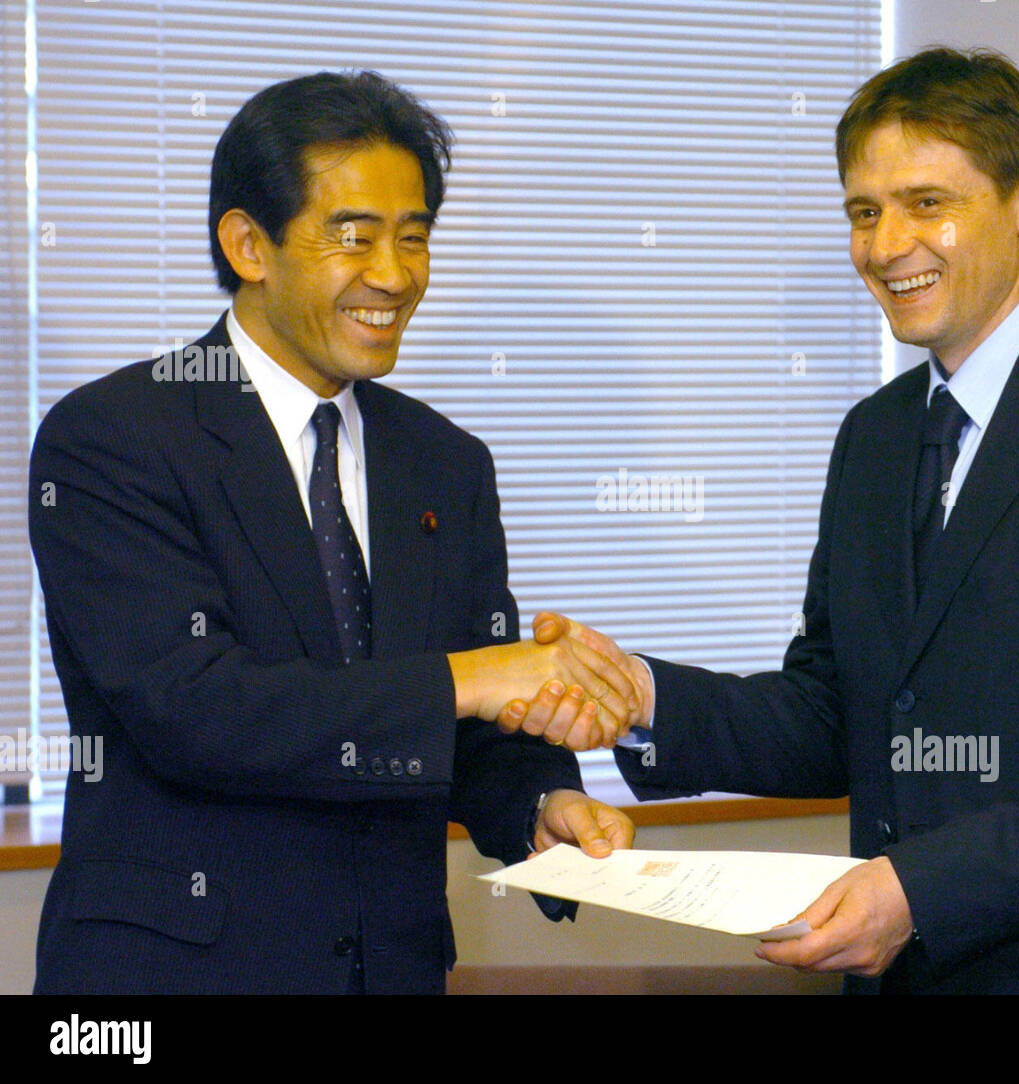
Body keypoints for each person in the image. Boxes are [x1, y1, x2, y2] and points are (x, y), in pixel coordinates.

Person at [509, 48, 1019, 994]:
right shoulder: (874, 436)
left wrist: (916, 892)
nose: (886, 243)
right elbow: (838, 708)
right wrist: (645, 695)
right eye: (863, 212)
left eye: (926, 204)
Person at [27, 70, 638, 994]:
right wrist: (479, 676)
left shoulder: (446, 463)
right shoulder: (111, 438)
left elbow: (469, 725)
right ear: (248, 244)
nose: (394, 275)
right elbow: (199, 712)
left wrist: (540, 804)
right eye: (354, 237)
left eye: (414, 237)